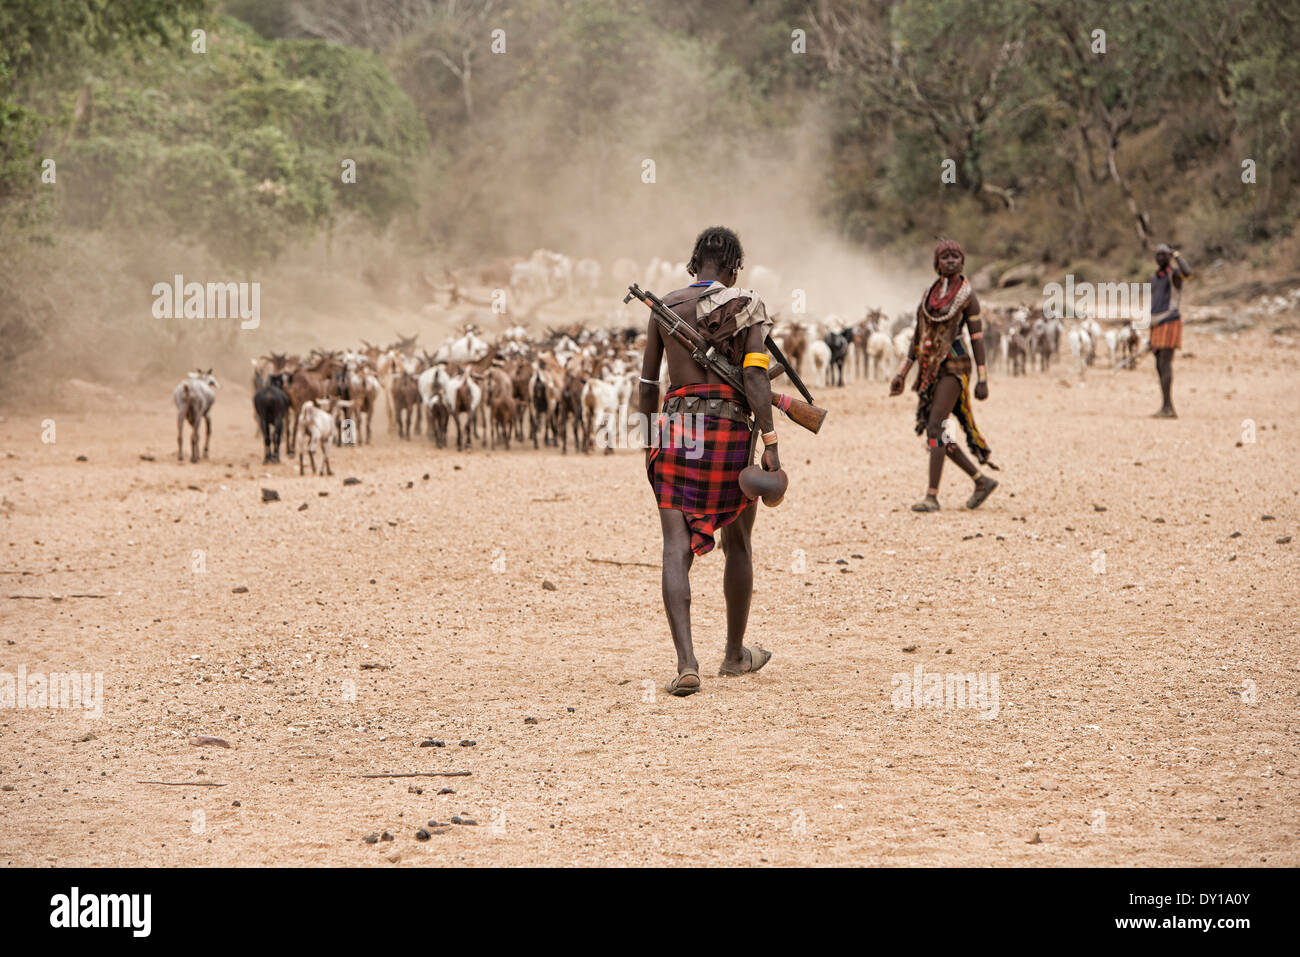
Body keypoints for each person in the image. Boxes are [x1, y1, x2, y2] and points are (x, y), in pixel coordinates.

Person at [638, 226, 777, 696]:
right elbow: (757, 381)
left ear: (693, 264)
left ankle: (686, 663)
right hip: (731, 432)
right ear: (734, 268)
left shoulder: (664, 306)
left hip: (677, 432)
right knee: (738, 541)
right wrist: (772, 440)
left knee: (674, 546)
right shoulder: (747, 306)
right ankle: (735, 655)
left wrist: (646, 439)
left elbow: (647, 386)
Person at [890, 239, 998, 512]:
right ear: (936, 263)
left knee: (936, 425)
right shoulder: (930, 295)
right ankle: (980, 480)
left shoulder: (967, 296)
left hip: (955, 366)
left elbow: (977, 338)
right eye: (945, 257)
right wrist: (902, 373)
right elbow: (918, 336)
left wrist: (983, 379)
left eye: (956, 256)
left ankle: (932, 496)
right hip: (929, 368)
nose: (950, 261)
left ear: (963, 262)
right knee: (934, 429)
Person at [1149, 243, 1191, 418]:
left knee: (1165, 363)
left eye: (1164, 255)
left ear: (1169, 257)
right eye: (1158, 255)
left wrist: (1177, 255)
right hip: (1156, 323)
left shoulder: (1174, 274)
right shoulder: (1154, 277)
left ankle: (1169, 408)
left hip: (1170, 321)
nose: (1160, 258)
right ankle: (1165, 405)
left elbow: (1187, 272)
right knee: (1159, 365)